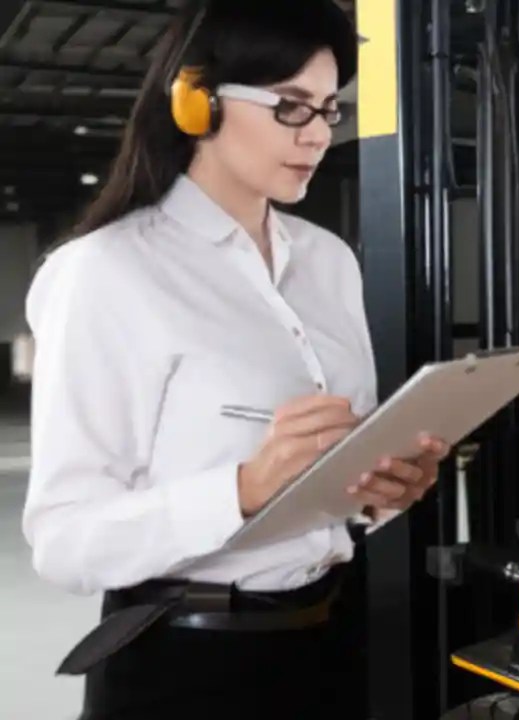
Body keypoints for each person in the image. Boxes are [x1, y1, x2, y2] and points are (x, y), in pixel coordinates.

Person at [21, 2, 447, 717]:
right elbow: (64, 541)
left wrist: (379, 491)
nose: (316, 134)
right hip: (183, 669)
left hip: (330, 643)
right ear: (197, 103)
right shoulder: (107, 272)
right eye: (289, 108)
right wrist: (244, 487)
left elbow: (335, 484)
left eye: (327, 111)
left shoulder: (328, 262)